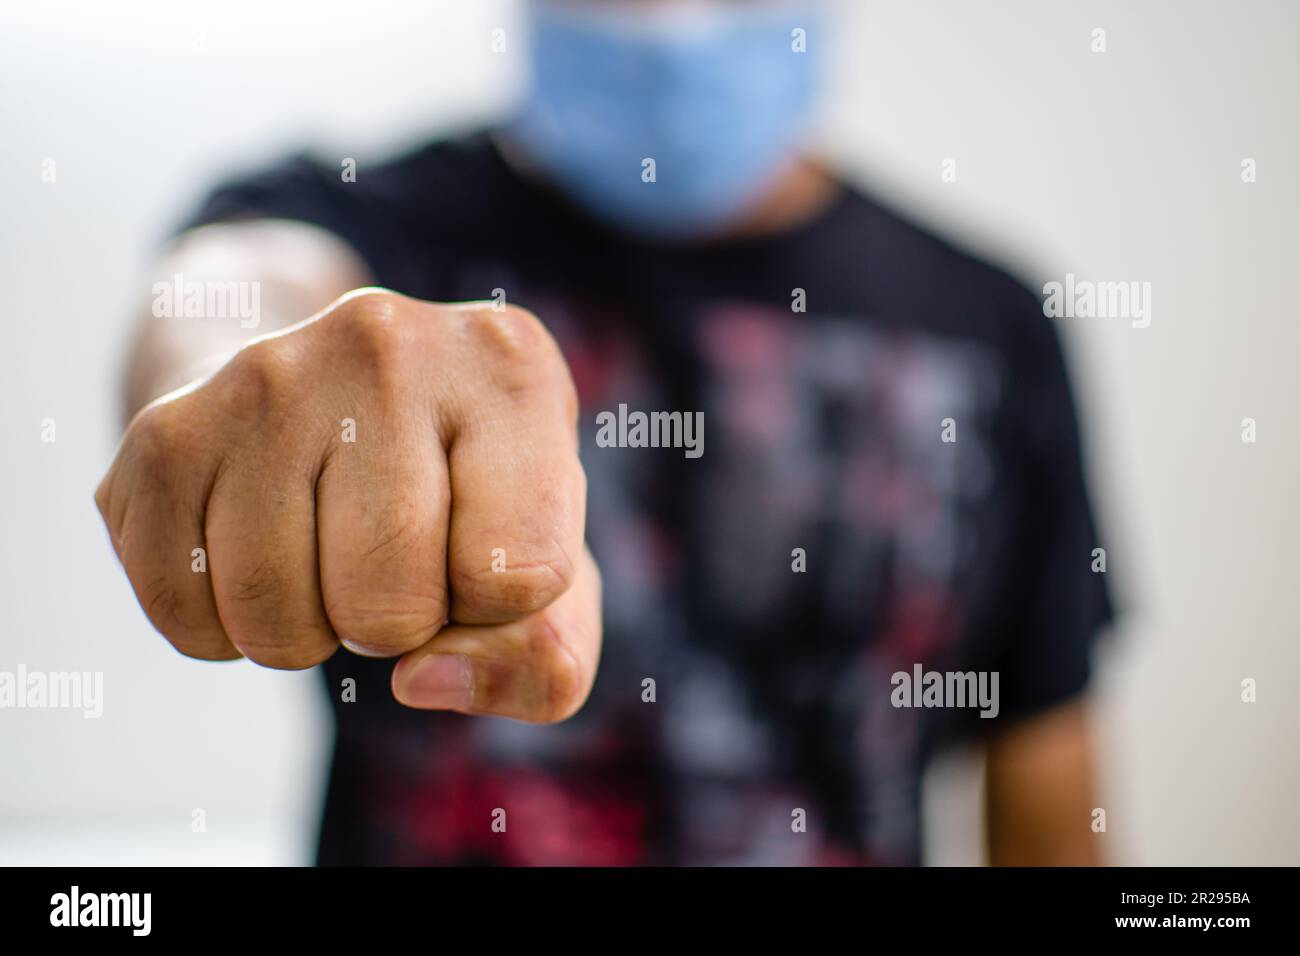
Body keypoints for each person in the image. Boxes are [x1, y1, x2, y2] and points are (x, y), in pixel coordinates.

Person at [96, 0, 1113, 865]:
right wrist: (237, 379)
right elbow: (234, 290)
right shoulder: (377, 223)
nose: (670, 17)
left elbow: (1044, 770)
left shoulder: (989, 327)